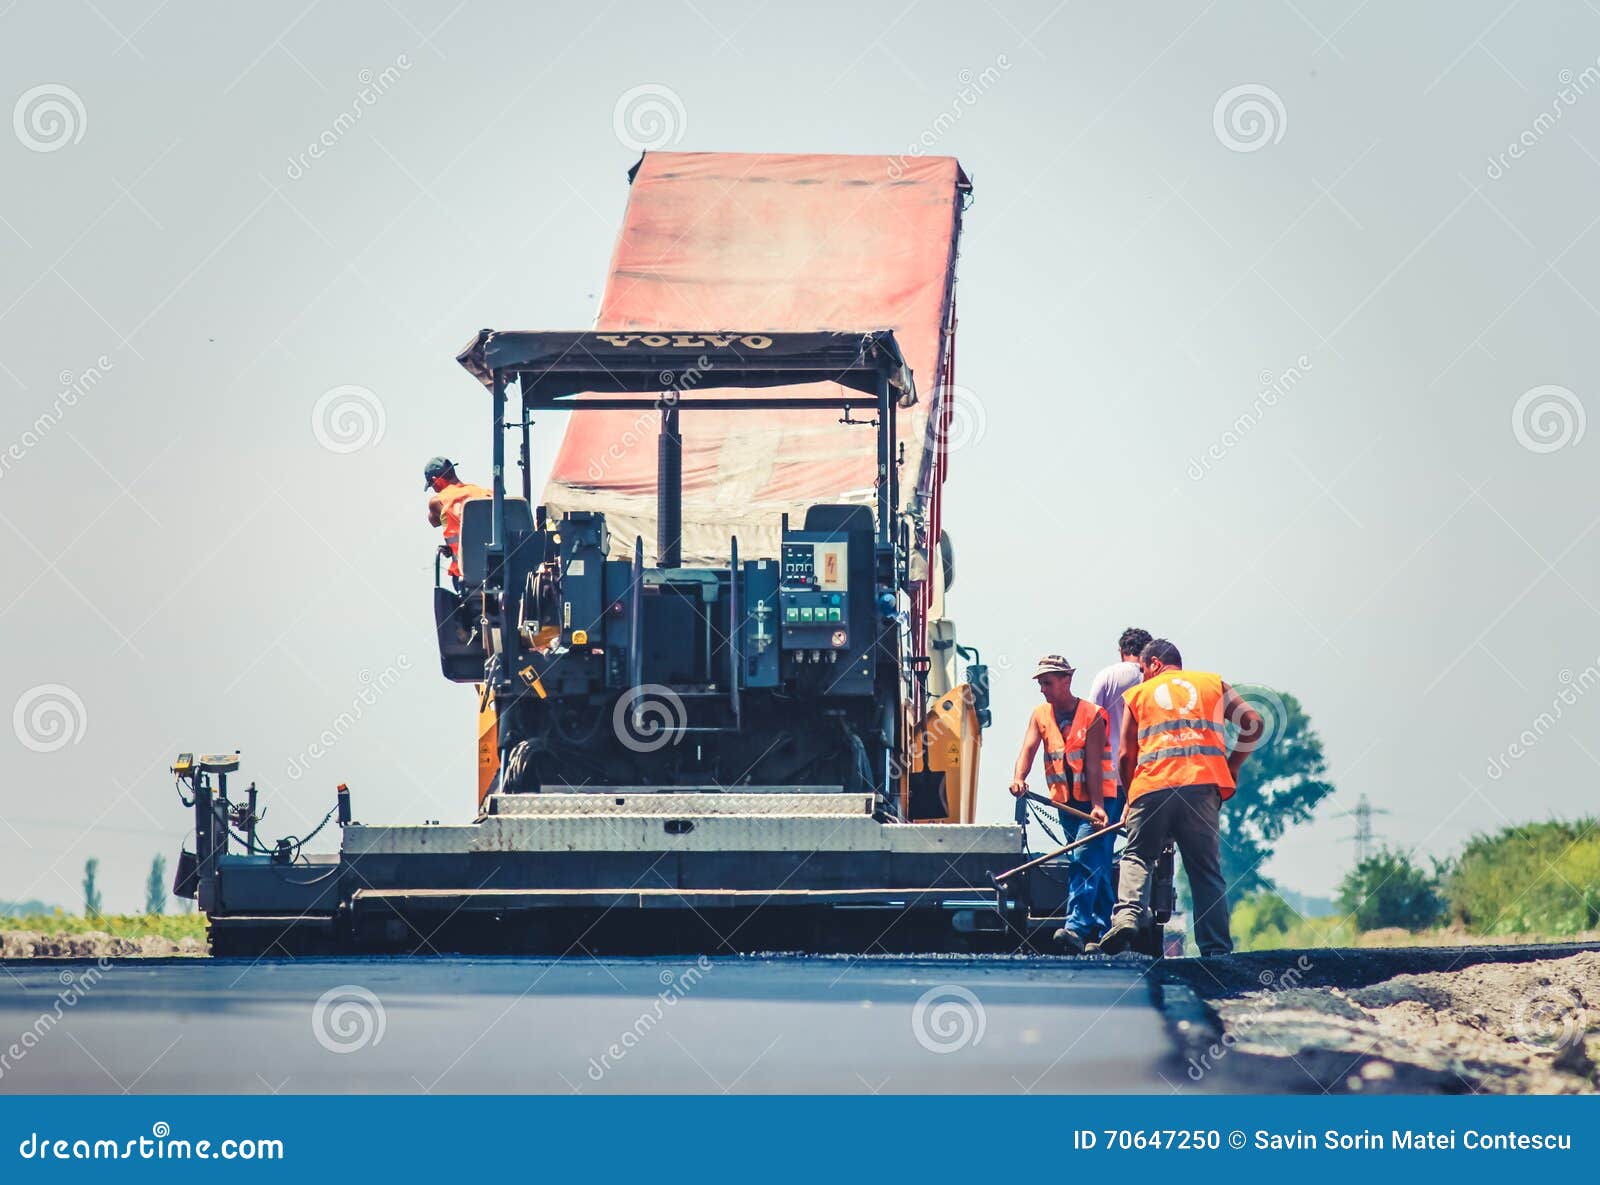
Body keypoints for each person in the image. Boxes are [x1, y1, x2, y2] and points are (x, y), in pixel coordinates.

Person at [1095, 638, 1261, 958]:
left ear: (1154, 664)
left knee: (1138, 855)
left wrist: (1131, 797)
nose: (1142, 678)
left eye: (1143, 670)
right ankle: (1215, 949)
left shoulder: (1139, 694)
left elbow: (1126, 754)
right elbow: (1253, 723)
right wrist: (1233, 767)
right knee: (1204, 871)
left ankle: (1128, 916)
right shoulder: (1213, 684)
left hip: (1151, 787)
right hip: (1202, 788)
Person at [1008, 655, 1119, 953]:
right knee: (1096, 865)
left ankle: (1075, 927)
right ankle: (1104, 931)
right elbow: (1028, 749)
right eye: (1041, 683)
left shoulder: (1092, 714)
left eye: (1048, 682)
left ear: (1067, 680)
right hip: (1065, 803)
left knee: (1082, 859)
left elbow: (1094, 764)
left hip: (1097, 803)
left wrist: (1097, 806)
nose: (1043, 689)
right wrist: (1019, 778)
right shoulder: (1040, 715)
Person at [1079, 626, 1150, 928]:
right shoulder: (1151, 680)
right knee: (1142, 848)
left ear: (1121, 650)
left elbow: (1092, 720)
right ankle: (1135, 913)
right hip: (1144, 775)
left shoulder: (1107, 676)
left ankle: (1104, 919)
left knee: (1101, 847)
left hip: (1109, 775)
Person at [424, 456, 490, 587]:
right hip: (498, 567)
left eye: (432, 486)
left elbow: (433, 521)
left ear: (435, 481)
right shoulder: (486, 493)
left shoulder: (438, 502)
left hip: (465, 574)